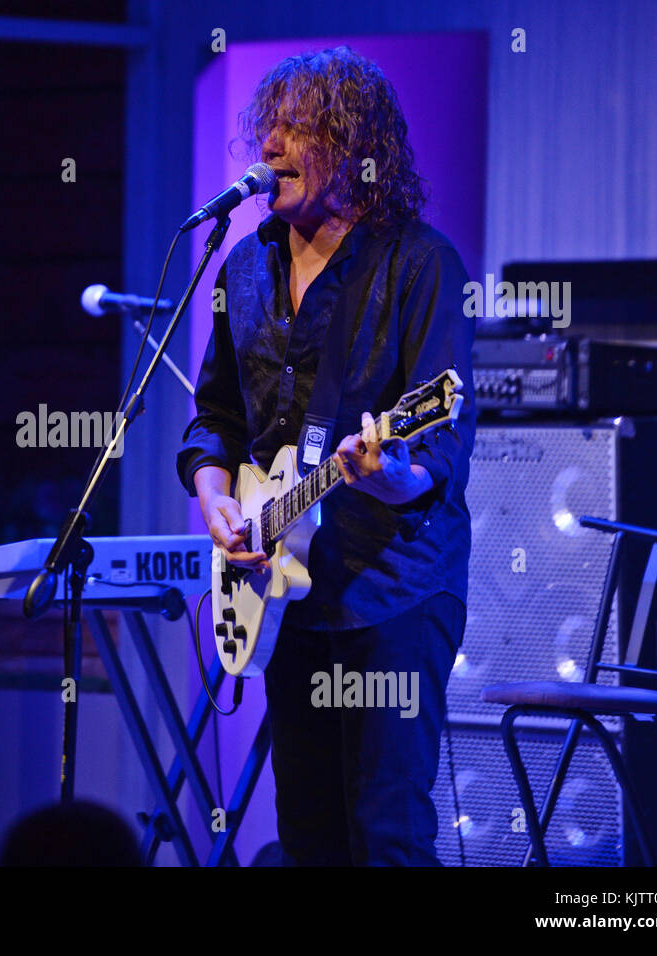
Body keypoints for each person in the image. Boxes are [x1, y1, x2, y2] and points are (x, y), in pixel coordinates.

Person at [177, 47, 475, 865]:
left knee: (386, 834)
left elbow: (439, 449)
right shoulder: (242, 265)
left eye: (296, 127)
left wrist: (388, 473)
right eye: (265, 127)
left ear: (352, 146)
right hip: (284, 589)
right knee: (307, 834)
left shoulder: (422, 264)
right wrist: (217, 502)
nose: (269, 146)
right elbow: (214, 419)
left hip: (392, 590)